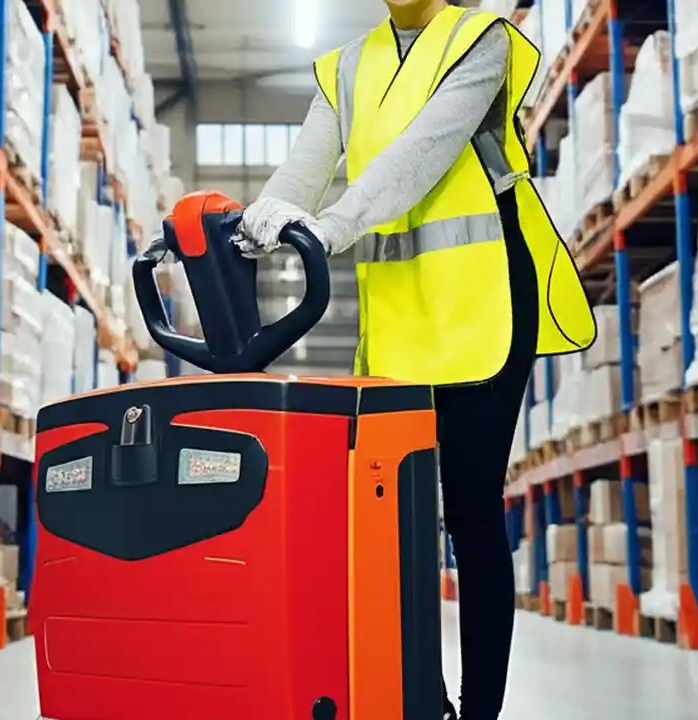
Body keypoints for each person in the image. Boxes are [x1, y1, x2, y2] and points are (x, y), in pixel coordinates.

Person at [234, 0, 595, 718]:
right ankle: (412, 697)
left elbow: (422, 154)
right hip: (402, 321)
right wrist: (258, 222)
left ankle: (479, 710)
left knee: (468, 508)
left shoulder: (480, 41)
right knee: (392, 517)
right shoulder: (348, 66)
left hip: (484, 302)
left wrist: (331, 225)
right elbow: (305, 166)